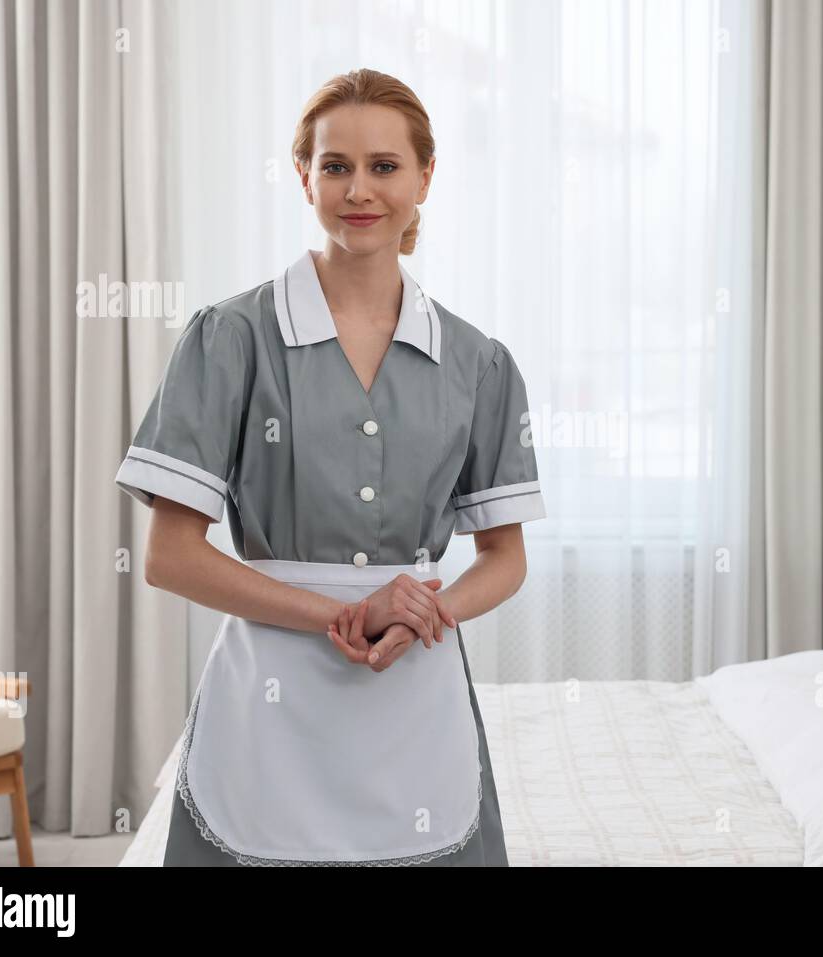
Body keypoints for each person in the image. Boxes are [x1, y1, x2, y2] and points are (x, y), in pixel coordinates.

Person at [114, 68, 545, 866]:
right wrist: (342, 614)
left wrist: (420, 611)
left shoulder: (478, 363)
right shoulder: (230, 339)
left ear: (424, 177)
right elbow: (170, 557)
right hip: (269, 701)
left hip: (416, 689)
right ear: (303, 174)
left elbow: (505, 558)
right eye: (336, 165)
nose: (359, 189)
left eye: (384, 166)